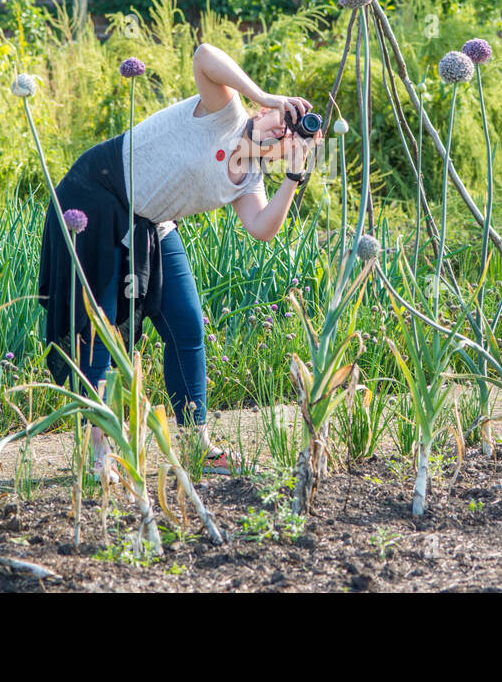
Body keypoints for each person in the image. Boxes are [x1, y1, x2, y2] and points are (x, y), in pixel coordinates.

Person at [38, 43, 321, 479]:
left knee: (187, 323)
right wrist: (266, 96)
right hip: (98, 192)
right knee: (98, 326)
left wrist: (294, 176)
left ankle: (199, 444)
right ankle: (100, 454)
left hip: (151, 221)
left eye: (291, 138)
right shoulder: (224, 111)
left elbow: (263, 228)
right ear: (263, 111)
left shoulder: (249, 180)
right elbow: (205, 54)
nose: (282, 132)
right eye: (283, 121)